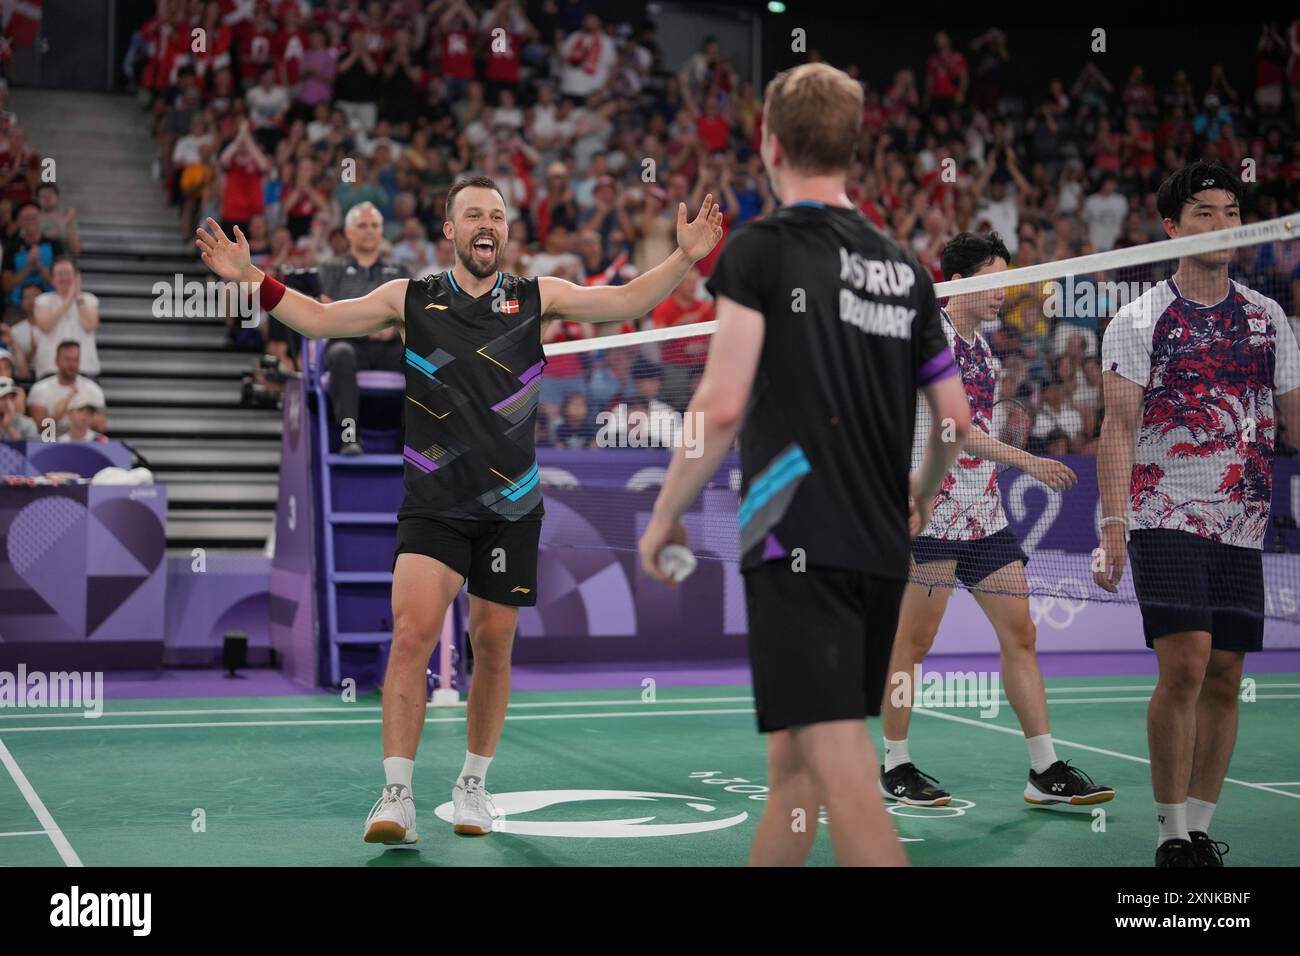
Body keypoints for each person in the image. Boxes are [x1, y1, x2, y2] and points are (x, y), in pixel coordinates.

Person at [195, 173, 721, 847]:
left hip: (511, 506)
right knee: (412, 635)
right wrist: (252, 279)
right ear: (449, 230)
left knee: (493, 645)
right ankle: (397, 795)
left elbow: (622, 300)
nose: (486, 225)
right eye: (472, 214)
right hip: (434, 503)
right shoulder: (410, 298)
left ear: (505, 231)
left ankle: (473, 784)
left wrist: (683, 259)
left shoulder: (538, 298)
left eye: (496, 217)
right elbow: (321, 320)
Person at [638, 62, 971, 867]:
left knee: (846, 777)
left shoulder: (760, 252)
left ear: (769, 143)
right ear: (853, 148)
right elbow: (955, 423)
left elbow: (718, 407)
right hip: (880, 551)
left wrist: (665, 513)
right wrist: (916, 497)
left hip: (798, 551)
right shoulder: (904, 270)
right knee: (796, 774)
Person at [1095, 160, 1300, 867]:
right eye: (1205, 212)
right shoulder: (1138, 319)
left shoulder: (1269, 318)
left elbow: (1295, 424)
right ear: (1172, 227)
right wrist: (1113, 526)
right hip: (1164, 512)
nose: (1222, 223)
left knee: (1226, 669)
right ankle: (1171, 833)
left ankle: (1202, 828)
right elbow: (1118, 429)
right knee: (1185, 663)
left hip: (1243, 520)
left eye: (1231, 211)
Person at [881, 231, 1112, 810]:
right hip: (930, 513)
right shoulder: (925, 339)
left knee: (1022, 635)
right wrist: (1030, 460)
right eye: (994, 281)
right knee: (913, 644)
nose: (1003, 293)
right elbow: (955, 431)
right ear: (957, 284)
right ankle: (895, 763)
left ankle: (1043, 768)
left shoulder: (982, 350)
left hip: (983, 517)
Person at [318, 201, 409, 455]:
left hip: (390, 345)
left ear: (382, 231)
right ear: (348, 232)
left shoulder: (400, 269)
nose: (369, 230)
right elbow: (324, 307)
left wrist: (392, 327)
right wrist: (366, 327)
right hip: (349, 344)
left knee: (420, 359)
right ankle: (350, 437)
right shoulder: (331, 268)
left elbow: (412, 308)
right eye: (362, 225)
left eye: (374, 225)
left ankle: (408, 439)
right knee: (340, 354)